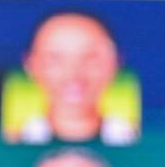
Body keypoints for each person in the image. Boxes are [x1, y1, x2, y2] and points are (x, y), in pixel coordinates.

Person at [14, 12, 138, 146]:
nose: (73, 74)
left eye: (90, 57)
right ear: (30, 64)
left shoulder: (140, 144)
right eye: (55, 58)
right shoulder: (13, 145)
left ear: (116, 63)